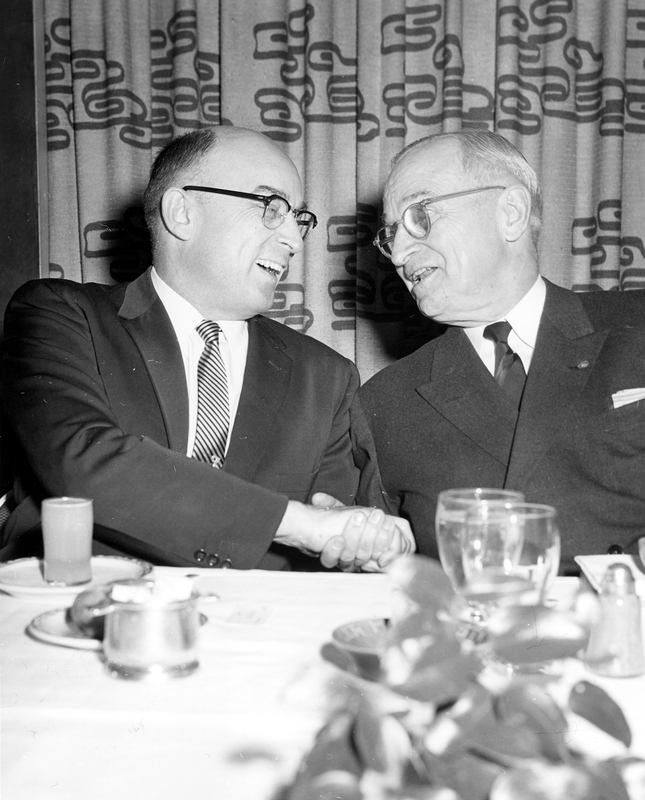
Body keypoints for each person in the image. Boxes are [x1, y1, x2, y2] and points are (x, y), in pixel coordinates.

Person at [1, 126, 413, 571]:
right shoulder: (62, 315)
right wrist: (299, 524)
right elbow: (79, 462)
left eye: (299, 219)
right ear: (181, 212)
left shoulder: (327, 376)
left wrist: (367, 545)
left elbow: (337, 540)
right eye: (271, 208)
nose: (294, 240)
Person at [351, 129, 645, 574]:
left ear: (510, 213)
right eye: (391, 234)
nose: (399, 253)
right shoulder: (384, 403)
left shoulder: (635, 327)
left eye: (420, 214)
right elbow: (386, 580)